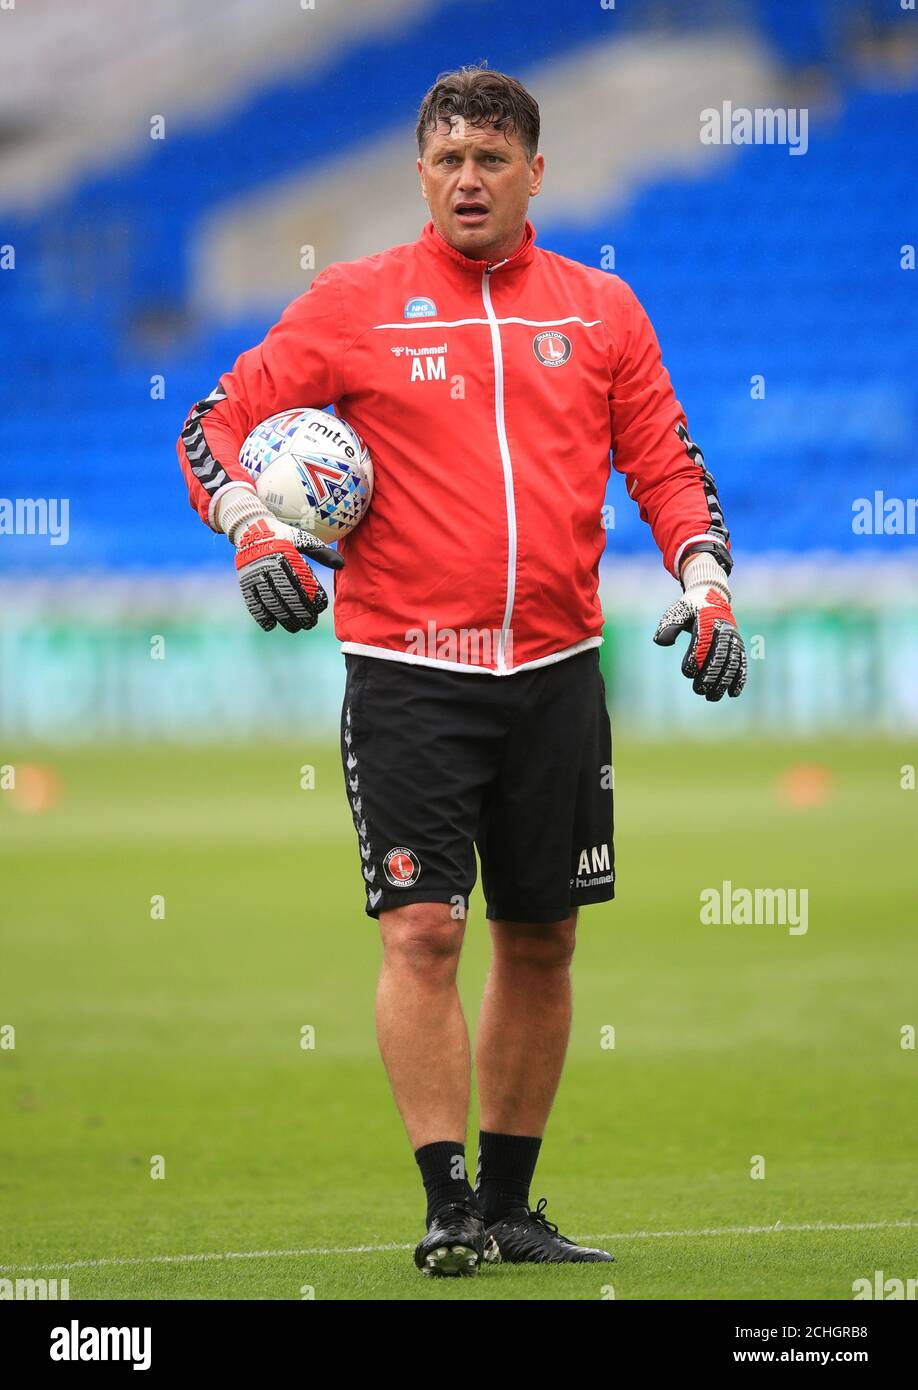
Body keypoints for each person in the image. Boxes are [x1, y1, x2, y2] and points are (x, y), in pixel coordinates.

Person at [177, 65, 746, 1279]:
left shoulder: (601, 309)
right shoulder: (351, 304)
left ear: (536, 173)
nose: (470, 180)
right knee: (425, 931)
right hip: (409, 675)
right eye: (449, 161)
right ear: (420, 174)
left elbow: (666, 458)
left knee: (542, 942)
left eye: (493, 159)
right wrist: (252, 526)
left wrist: (705, 582)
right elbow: (210, 422)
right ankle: (445, 1206)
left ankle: (511, 1205)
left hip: (554, 671)